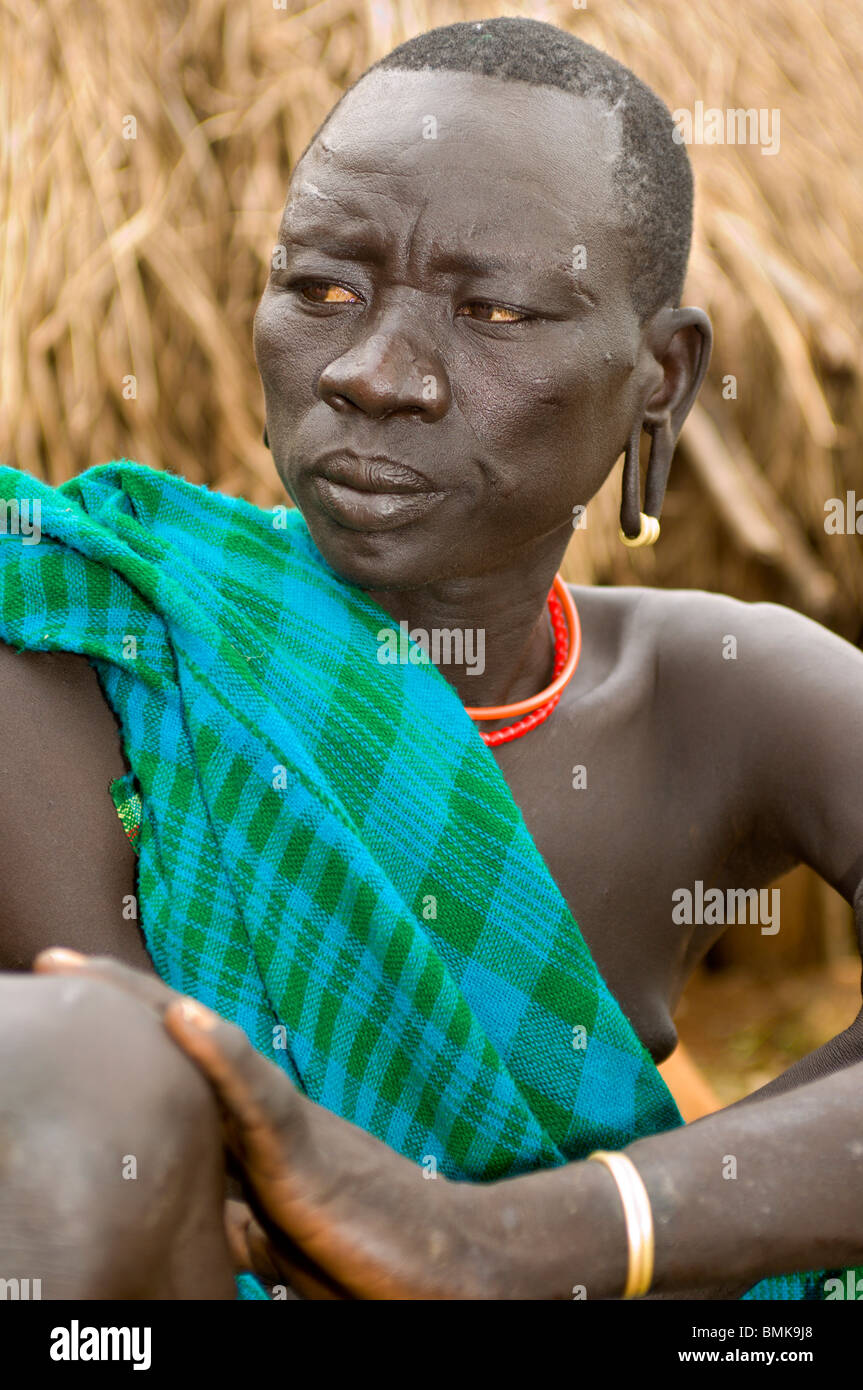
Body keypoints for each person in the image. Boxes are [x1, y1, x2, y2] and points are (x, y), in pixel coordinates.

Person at [1, 16, 861, 1301]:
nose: (370, 373)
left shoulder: (719, 691)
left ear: (660, 381)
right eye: (321, 291)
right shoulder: (78, 645)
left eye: (494, 310)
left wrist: (515, 1241)